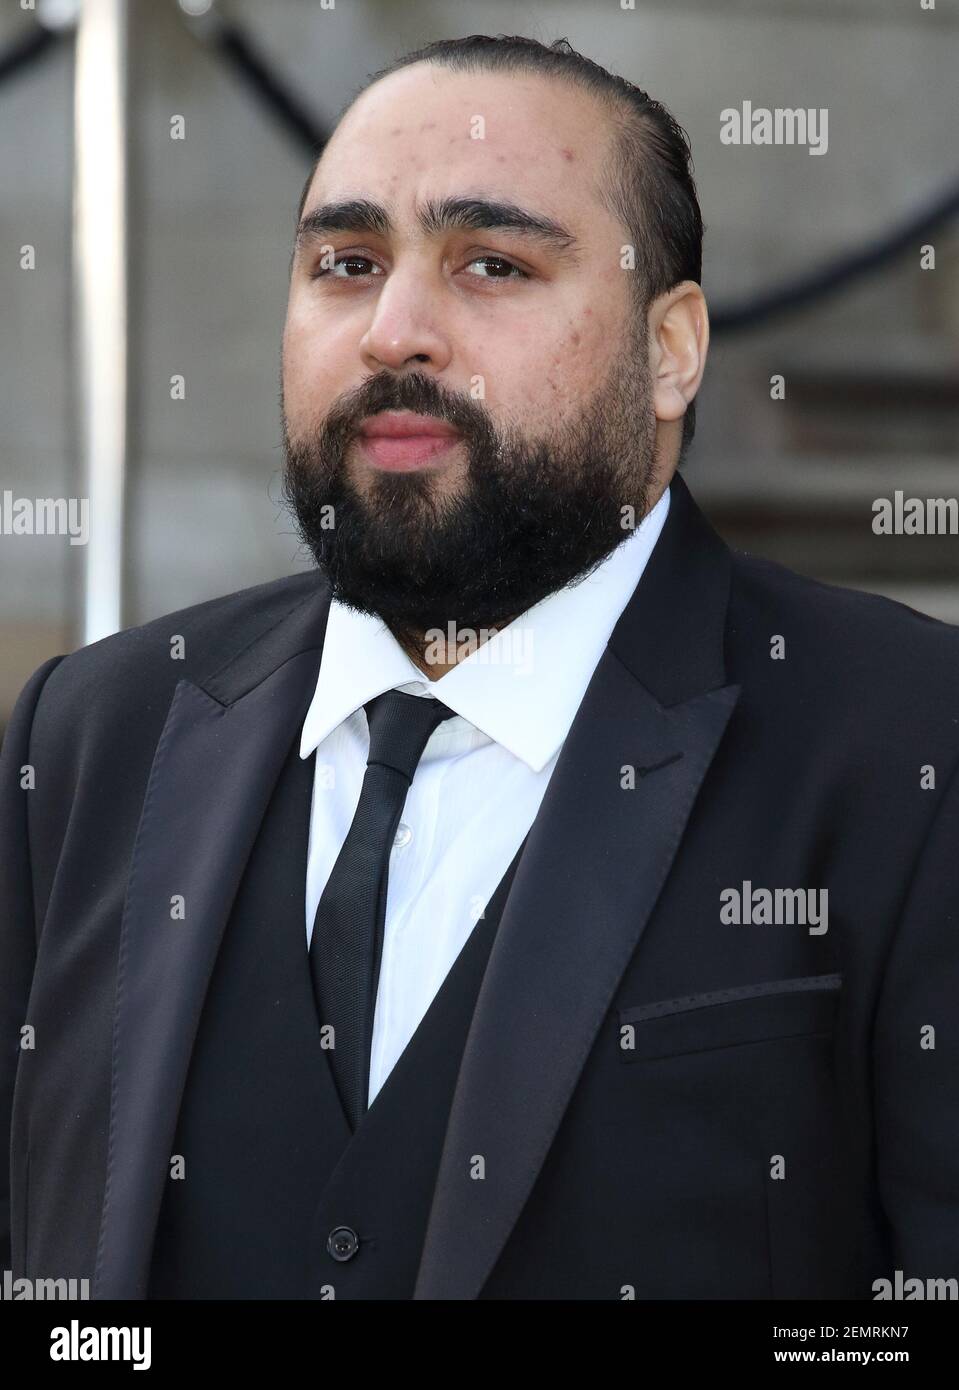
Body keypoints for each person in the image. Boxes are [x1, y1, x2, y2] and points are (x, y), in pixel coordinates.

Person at [2, 34, 958, 1302]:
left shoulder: (904, 745)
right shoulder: (90, 731)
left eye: (492, 265)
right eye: (345, 264)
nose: (394, 332)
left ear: (669, 352)